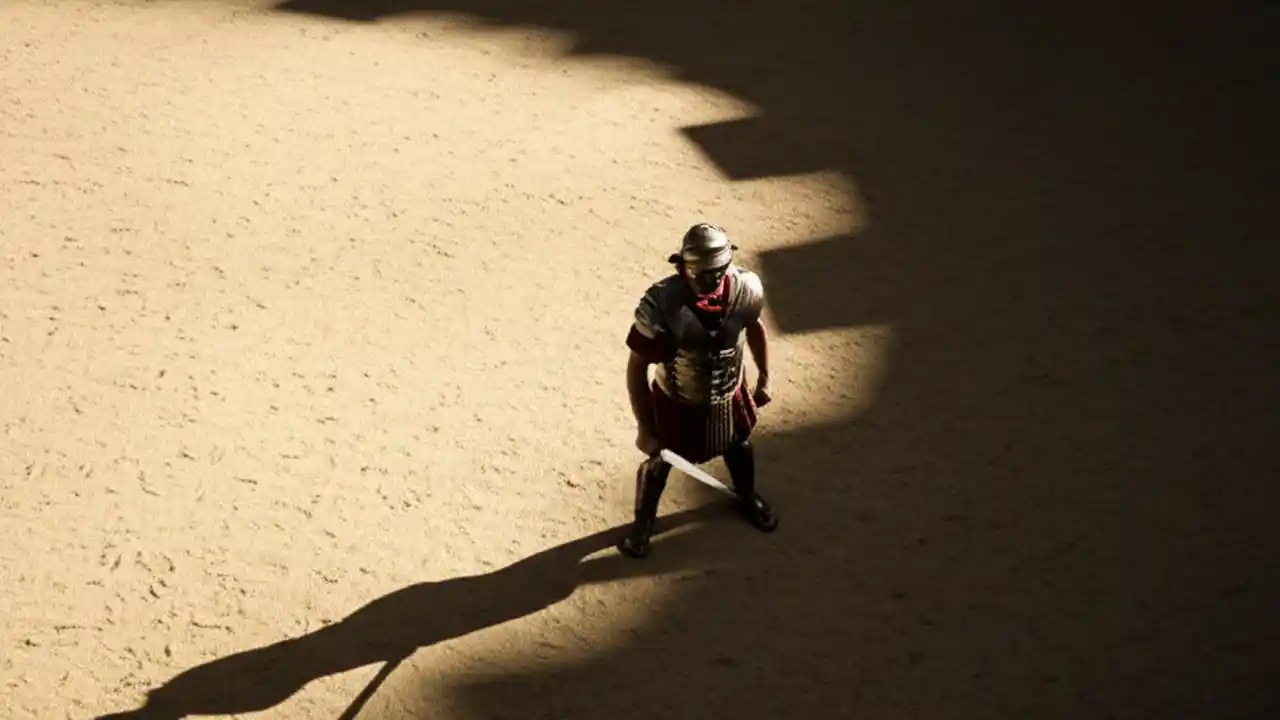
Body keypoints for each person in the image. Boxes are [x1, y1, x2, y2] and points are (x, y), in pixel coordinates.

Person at [618, 222, 779, 558]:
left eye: (719, 271)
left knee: (739, 445)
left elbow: (754, 327)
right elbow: (637, 367)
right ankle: (642, 526)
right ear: (683, 267)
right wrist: (645, 427)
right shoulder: (661, 303)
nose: (713, 280)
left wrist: (764, 376)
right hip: (678, 400)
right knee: (659, 460)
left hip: (730, 391)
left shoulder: (745, 289)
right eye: (704, 274)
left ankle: (746, 496)